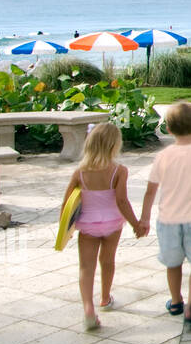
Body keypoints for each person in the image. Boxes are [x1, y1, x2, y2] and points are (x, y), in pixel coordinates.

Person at [137, 102, 191, 328]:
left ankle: (176, 301)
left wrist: (144, 218)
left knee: (173, 263)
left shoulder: (163, 156)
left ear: (167, 128)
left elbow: (150, 190)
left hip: (168, 220)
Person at [60, 122, 141, 331]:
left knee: (86, 267)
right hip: (113, 223)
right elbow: (122, 201)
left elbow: (67, 201)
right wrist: (136, 224)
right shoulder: (119, 171)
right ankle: (105, 298)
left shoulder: (80, 172)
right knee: (108, 261)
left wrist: (64, 231)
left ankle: (88, 308)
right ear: (114, 146)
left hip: (87, 224)